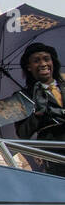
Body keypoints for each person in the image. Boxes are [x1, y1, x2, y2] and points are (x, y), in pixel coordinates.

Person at [15, 42, 65, 176]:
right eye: (36, 61)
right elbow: (22, 132)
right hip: (57, 155)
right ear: (29, 67)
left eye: (46, 59)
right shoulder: (23, 97)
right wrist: (38, 115)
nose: (43, 64)